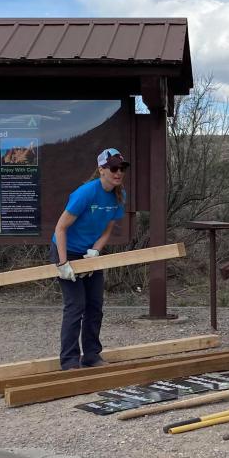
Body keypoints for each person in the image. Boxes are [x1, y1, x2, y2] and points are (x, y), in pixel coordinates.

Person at [51, 148, 128, 369]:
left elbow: (106, 230)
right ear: (101, 170)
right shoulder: (85, 193)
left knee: (95, 305)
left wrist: (95, 250)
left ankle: (92, 356)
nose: (118, 172)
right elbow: (60, 228)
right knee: (76, 305)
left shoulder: (119, 195)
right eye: (113, 168)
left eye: (121, 168)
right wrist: (63, 263)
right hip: (66, 250)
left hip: (89, 252)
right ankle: (69, 361)